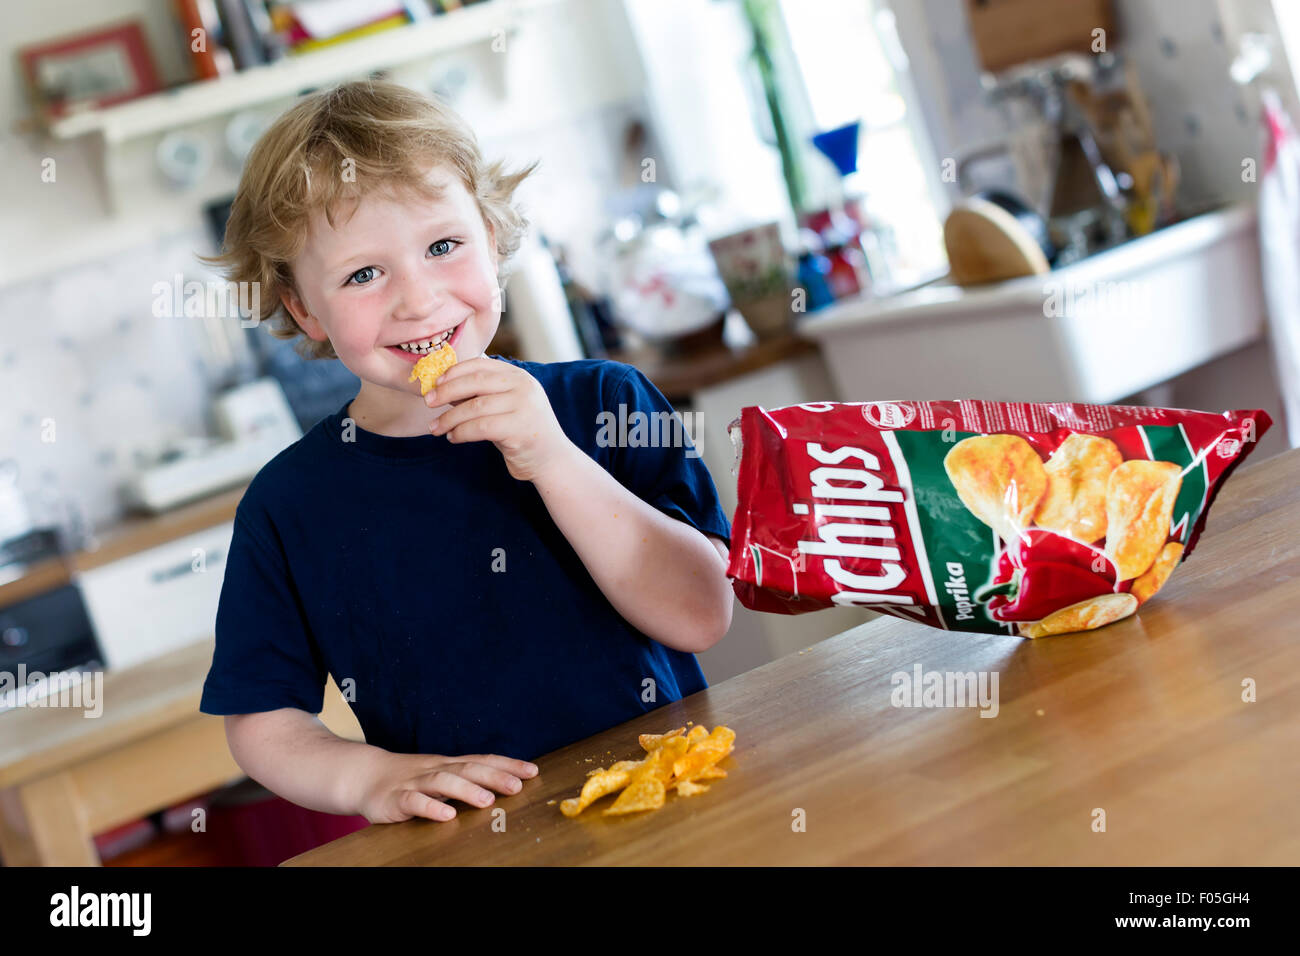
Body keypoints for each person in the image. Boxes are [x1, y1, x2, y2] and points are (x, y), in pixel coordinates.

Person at [199, 80, 733, 825]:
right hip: (475, 838)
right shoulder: (288, 506)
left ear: (492, 235)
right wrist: (369, 782)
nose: (417, 300)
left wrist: (552, 457)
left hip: (675, 803)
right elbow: (263, 722)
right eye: (362, 274)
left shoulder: (606, 404)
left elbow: (702, 615)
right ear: (303, 309)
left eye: (443, 246)